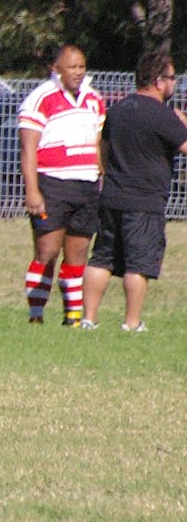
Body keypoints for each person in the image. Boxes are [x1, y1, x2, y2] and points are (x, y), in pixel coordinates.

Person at [79, 48, 187, 332]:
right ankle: (132, 322)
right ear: (157, 80)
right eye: (172, 78)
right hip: (145, 201)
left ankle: (88, 318)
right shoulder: (163, 116)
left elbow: (101, 147)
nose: (174, 84)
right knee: (138, 264)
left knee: (101, 258)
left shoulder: (117, 111)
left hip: (112, 196)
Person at [18, 43, 104, 325]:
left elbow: (99, 142)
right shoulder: (41, 98)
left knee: (78, 254)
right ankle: (36, 314)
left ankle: (74, 316)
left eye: (82, 67)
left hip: (86, 184)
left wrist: (101, 175)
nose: (78, 72)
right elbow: (28, 148)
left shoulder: (94, 99)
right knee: (48, 251)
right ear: (56, 69)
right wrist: (32, 190)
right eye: (72, 67)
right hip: (52, 184)